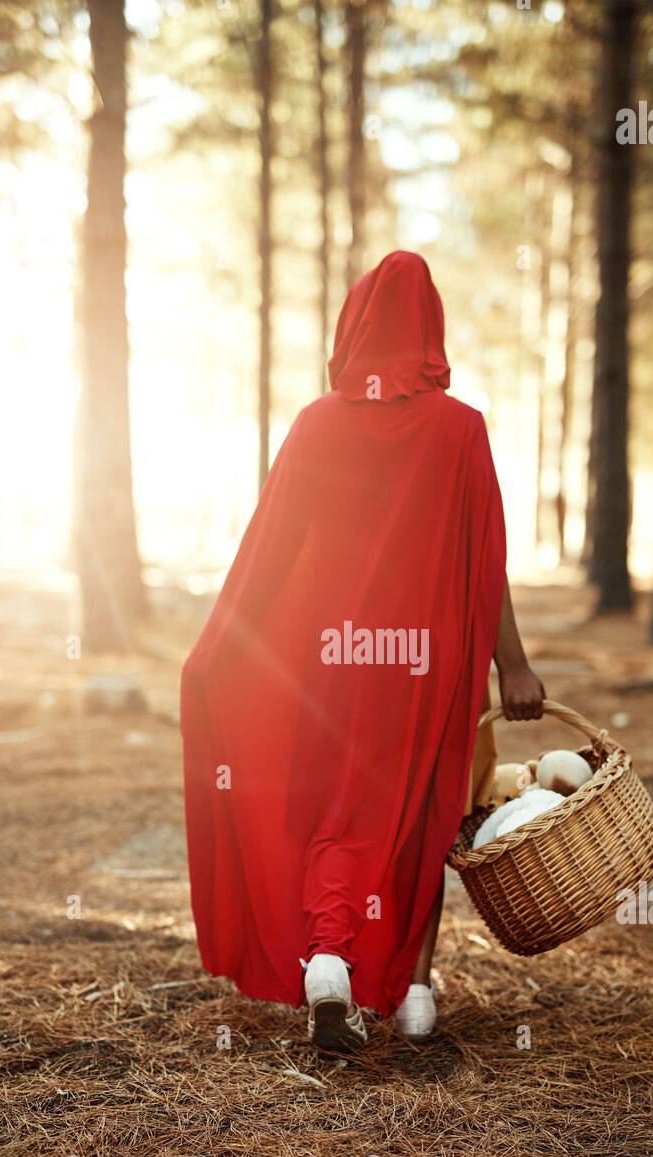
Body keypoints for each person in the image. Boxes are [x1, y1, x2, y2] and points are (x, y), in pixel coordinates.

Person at [181, 250, 545, 1051]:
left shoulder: (317, 424)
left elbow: (270, 551)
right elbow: (484, 563)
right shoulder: (461, 429)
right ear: (430, 328)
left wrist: (222, 650)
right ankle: (415, 991)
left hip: (332, 658)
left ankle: (329, 961)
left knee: (336, 816)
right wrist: (509, 663)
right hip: (429, 663)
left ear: (355, 328)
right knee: (423, 812)